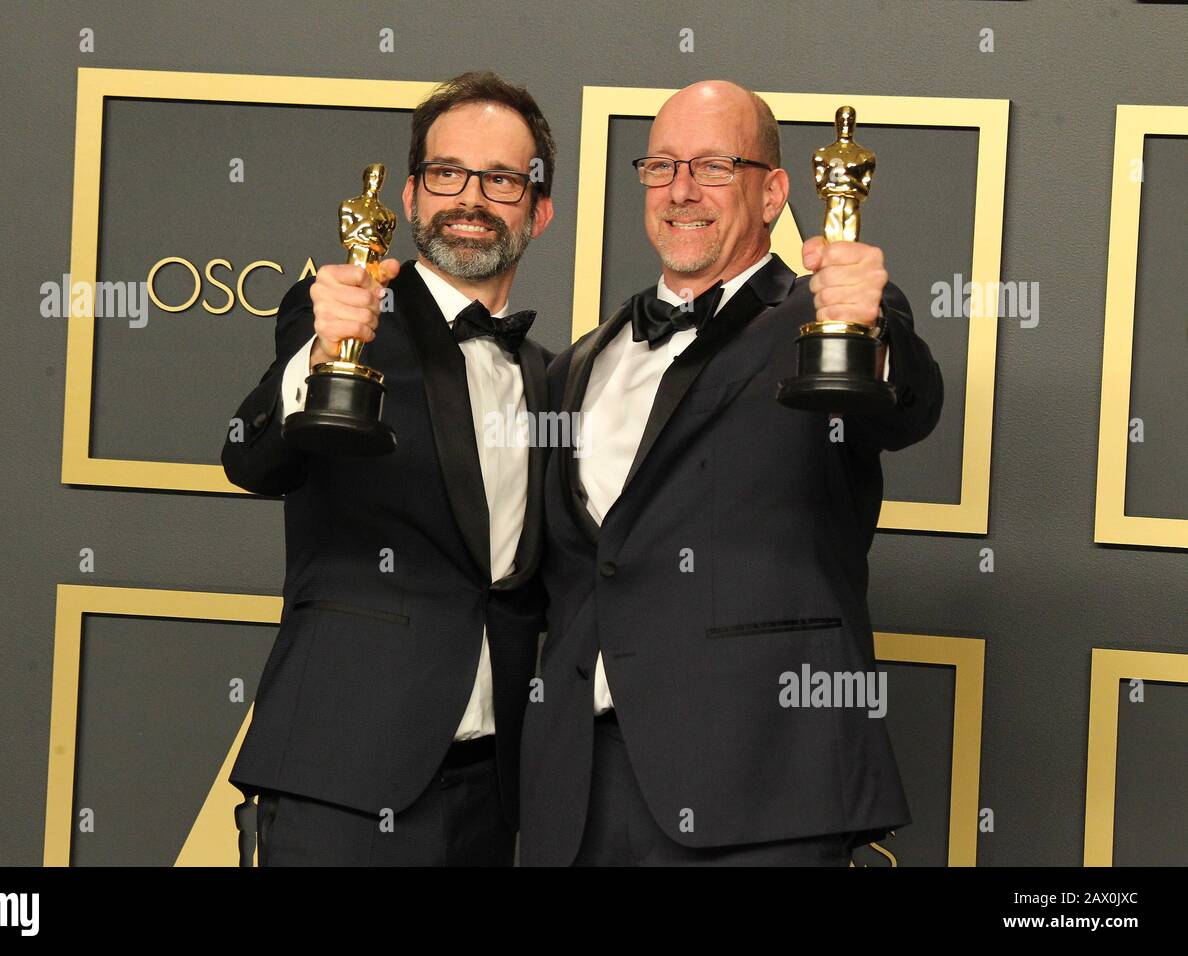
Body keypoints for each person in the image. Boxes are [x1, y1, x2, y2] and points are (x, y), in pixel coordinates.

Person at [518, 80, 942, 866]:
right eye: (662, 165)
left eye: (714, 165)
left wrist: (869, 322)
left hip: (762, 787)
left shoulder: (825, 317)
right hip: (576, 798)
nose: (682, 189)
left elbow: (907, 407)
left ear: (774, 191)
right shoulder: (579, 363)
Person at [223, 71, 555, 865]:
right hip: (342, 773)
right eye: (447, 173)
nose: (470, 197)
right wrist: (321, 353)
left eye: (502, 178)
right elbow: (252, 455)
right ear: (409, 197)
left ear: (539, 211)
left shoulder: (550, 374)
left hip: (497, 789)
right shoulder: (347, 314)